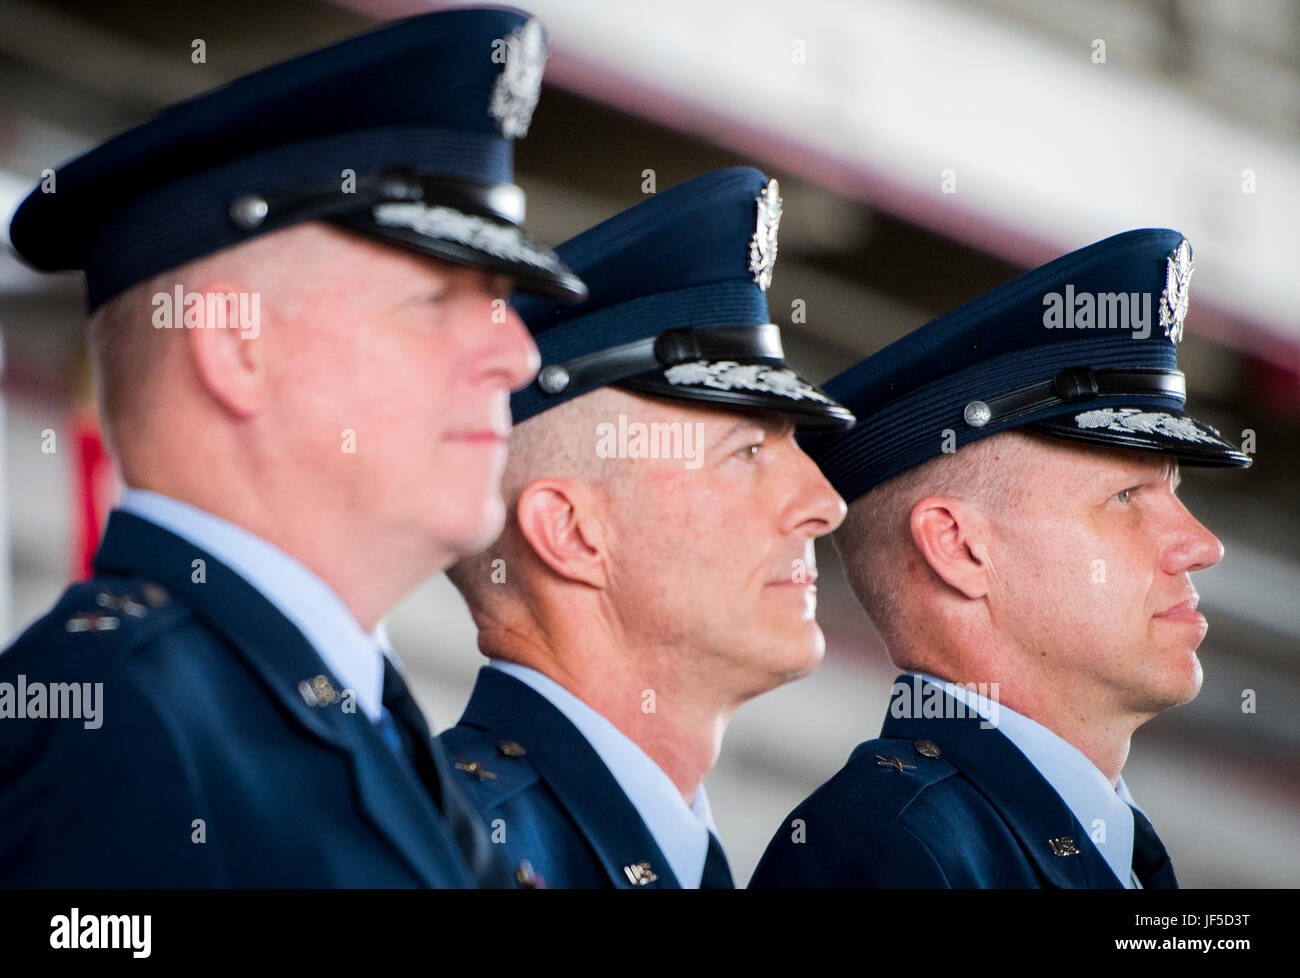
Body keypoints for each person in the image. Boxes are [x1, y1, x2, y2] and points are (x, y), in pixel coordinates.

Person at [0, 8, 585, 887]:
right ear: (238, 348)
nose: (519, 354)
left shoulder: (365, 724)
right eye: (436, 300)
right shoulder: (110, 724)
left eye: (506, 300)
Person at [750, 229, 1250, 888]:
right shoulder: (887, 851)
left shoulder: (1087, 847)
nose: (1201, 545)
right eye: (1125, 495)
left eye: (1172, 492)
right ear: (959, 549)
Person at [437, 168, 853, 888]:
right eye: (747, 452)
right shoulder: (448, 851)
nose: (824, 502)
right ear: (570, 532)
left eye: (796, 448)